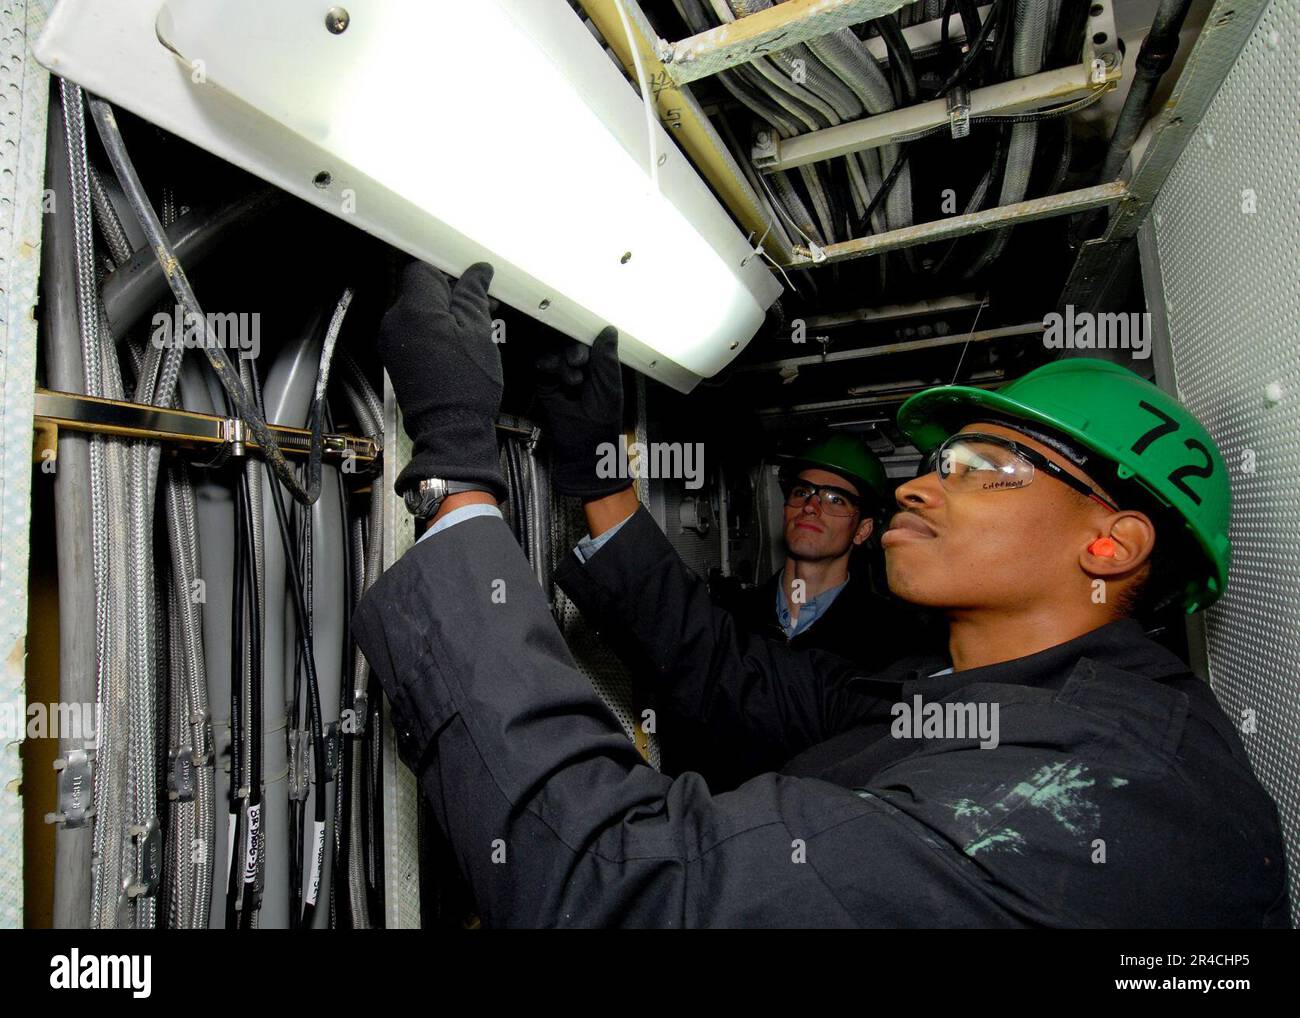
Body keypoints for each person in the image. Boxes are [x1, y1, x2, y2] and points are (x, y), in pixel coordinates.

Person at [354, 260, 1288, 928]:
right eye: (929, 464)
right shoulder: (966, 697)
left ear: (1113, 542)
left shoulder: (1114, 792)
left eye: (978, 465)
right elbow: (723, 670)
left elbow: (617, 890)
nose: (920, 485)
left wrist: (457, 470)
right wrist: (598, 472)